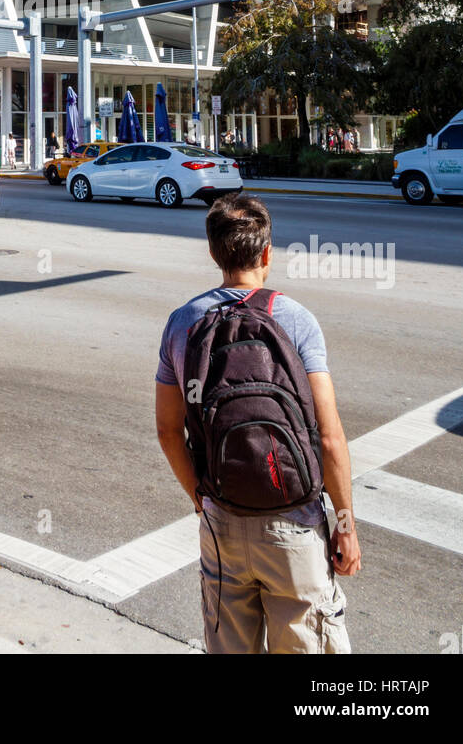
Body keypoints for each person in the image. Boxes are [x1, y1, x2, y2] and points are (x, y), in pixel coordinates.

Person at [155, 194, 358, 654]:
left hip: (222, 520)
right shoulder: (296, 320)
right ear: (267, 254)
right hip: (295, 525)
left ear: (213, 254)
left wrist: (201, 498)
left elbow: (168, 432)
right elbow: (329, 438)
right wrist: (344, 523)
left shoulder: (183, 322)